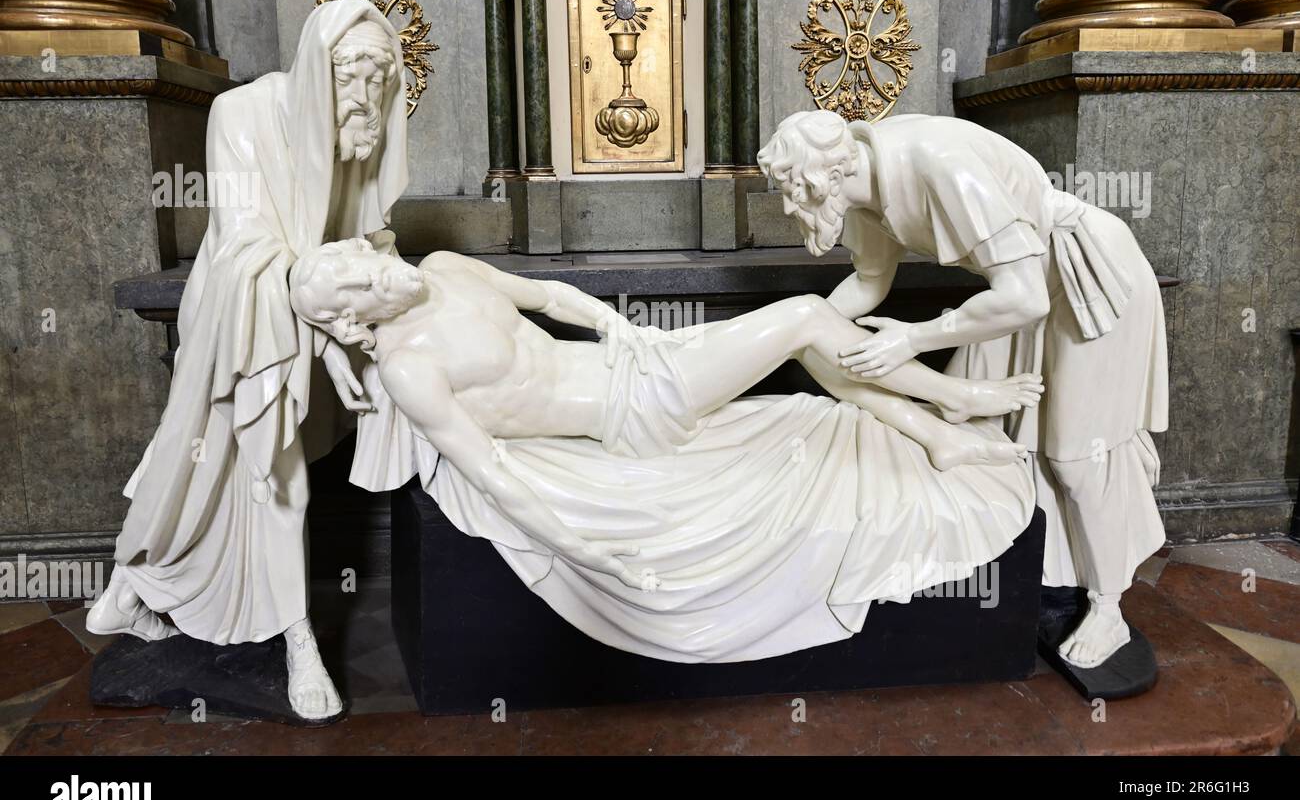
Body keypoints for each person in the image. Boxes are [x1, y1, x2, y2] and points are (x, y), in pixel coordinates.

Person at [286, 239, 1039, 662]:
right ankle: (955, 402)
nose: (381, 264)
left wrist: (617, 327)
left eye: (364, 254)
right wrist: (586, 551)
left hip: (639, 362)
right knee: (808, 319)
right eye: (363, 279)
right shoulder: (409, 370)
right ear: (353, 323)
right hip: (633, 408)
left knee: (810, 350)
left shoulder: (444, 269)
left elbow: (547, 300)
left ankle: (938, 433)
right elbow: (491, 473)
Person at [86, 0, 410, 719]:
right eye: (353, 75)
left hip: (309, 318)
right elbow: (242, 247)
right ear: (317, 66)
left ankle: (127, 591)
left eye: (381, 79)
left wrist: (386, 289)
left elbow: (367, 234)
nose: (367, 97)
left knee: (193, 461)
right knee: (273, 476)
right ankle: (297, 640)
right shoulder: (239, 113)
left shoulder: (359, 136)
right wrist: (329, 310)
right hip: (242, 322)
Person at [757, 110, 1168, 669]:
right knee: (973, 424)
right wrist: (805, 330)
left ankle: (1108, 607)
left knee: (1079, 455)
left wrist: (915, 340)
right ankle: (1052, 570)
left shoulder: (937, 164)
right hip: (1018, 288)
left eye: (793, 189)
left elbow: (1026, 298)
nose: (789, 206)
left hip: (1085, 279)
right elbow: (871, 282)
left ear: (829, 173)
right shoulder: (863, 187)